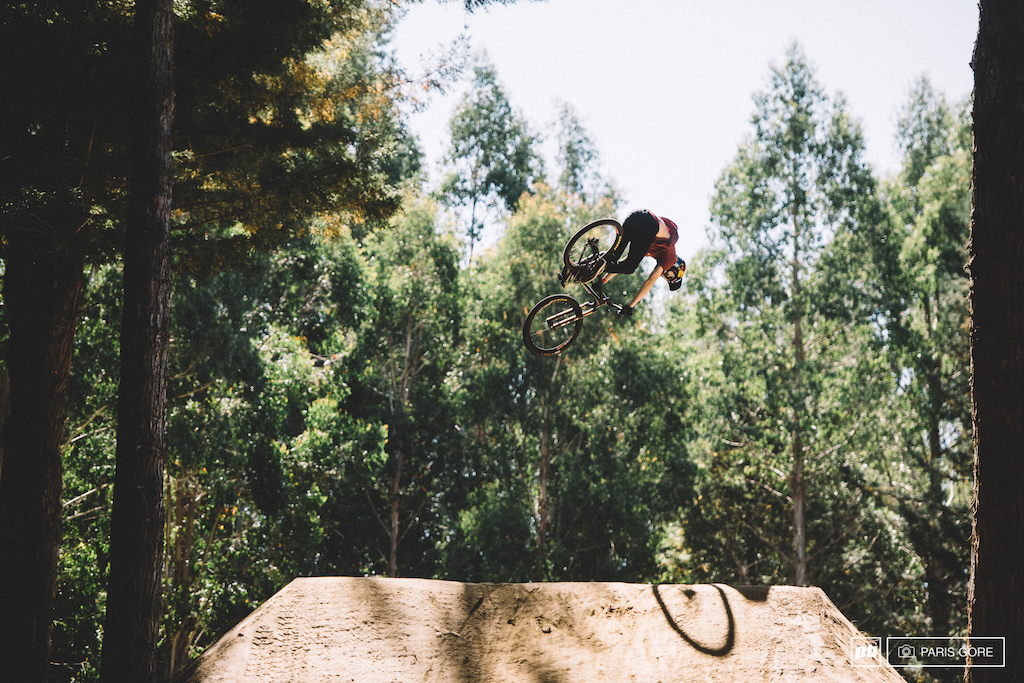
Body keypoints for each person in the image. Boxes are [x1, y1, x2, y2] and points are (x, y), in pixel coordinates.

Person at [590, 209, 685, 317]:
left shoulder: (655, 249)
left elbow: (623, 262)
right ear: (677, 268)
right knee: (630, 268)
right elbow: (650, 280)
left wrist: (604, 280)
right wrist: (631, 305)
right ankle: (598, 265)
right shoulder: (670, 259)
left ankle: (586, 262)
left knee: (613, 257)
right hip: (648, 224)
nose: (666, 276)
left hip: (636, 215)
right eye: (671, 276)